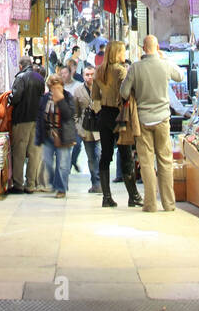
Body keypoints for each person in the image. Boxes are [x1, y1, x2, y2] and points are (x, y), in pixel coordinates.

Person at [120, 34, 182, 213]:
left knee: (146, 162)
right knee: (165, 160)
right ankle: (169, 204)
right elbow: (179, 76)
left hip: (143, 119)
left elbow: (124, 92)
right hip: (163, 118)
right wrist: (166, 58)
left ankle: (150, 204)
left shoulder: (135, 68)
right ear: (156, 48)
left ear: (143, 49)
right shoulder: (165, 65)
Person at [90, 39, 141, 207]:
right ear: (117, 53)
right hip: (120, 116)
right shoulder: (121, 71)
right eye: (122, 51)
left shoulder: (99, 71)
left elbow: (94, 97)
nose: (124, 54)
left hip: (104, 115)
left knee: (106, 155)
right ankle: (133, 196)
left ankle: (106, 197)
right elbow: (126, 94)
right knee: (126, 154)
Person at [35, 72, 76, 197]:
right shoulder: (45, 98)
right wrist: (38, 136)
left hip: (63, 136)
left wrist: (61, 100)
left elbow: (69, 115)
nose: (56, 89)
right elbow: (40, 117)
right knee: (47, 161)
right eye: (53, 87)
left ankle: (61, 188)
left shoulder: (68, 97)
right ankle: (54, 182)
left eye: (58, 86)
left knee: (62, 165)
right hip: (48, 136)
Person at [9, 53, 45, 192]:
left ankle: (18, 184)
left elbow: (16, 97)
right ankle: (30, 184)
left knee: (19, 151)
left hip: (22, 119)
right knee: (34, 152)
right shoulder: (39, 78)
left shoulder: (20, 77)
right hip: (37, 119)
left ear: (20, 66)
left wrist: (9, 98)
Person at [71, 64, 101, 193]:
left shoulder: (101, 89)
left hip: (99, 128)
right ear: (83, 75)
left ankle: (101, 182)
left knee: (99, 154)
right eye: (87, 75)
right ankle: (95, 183)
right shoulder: (78, 91)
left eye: (91, 74)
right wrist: (78, 128)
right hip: (86, 129)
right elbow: (75, 113)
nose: (89, 77)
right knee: (91, 157)